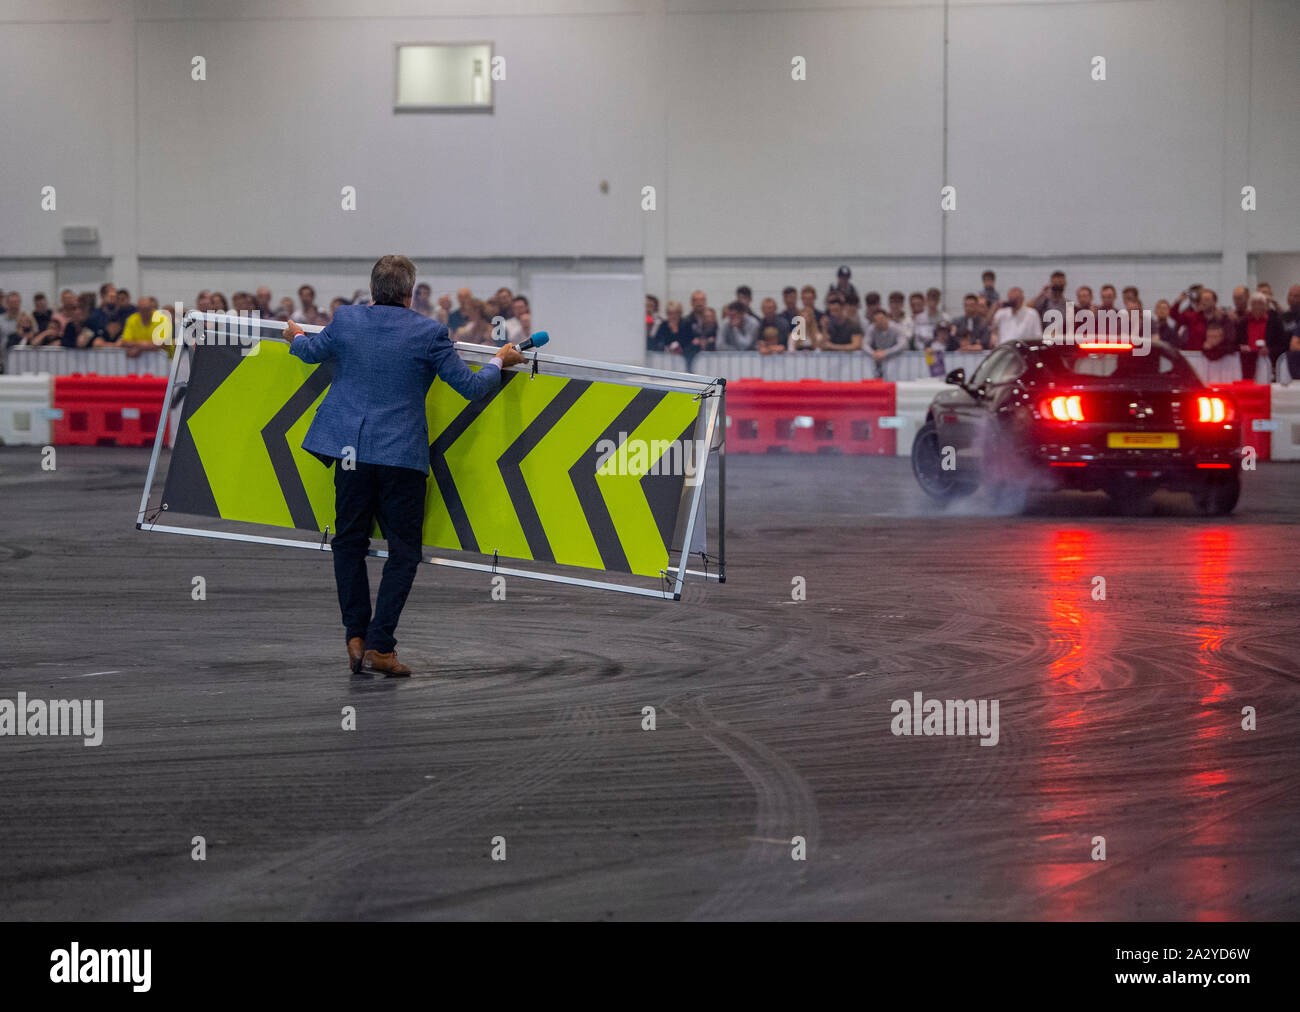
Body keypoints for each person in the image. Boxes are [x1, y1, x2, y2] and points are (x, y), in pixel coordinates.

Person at [283, 255, 525, 677]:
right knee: (403, 554)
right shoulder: (429, 333)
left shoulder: (347, 319)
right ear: (410, 294)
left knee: (348, 544)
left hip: (350, 453)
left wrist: (295, 333)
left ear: (373, 288)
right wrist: (498, 360)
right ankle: (381, 645)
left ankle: (355, 635)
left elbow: (308, 352)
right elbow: (470, 388)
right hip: (401, 459)